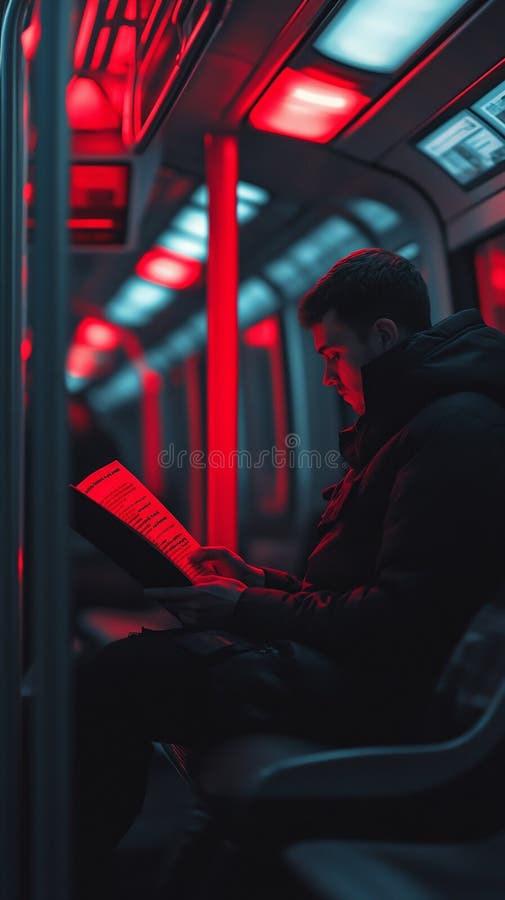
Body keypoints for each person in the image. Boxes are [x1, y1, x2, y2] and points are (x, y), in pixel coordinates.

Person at [74, 248, 505, 896]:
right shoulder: (409, 426)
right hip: (355, 667)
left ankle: (71, 872)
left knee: (117, 677)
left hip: (385, 691)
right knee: (127, 670)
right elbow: (353, 595)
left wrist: (241, 609)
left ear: (382, 337)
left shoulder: (453, 431)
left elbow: (400, 620)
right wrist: (252, 582)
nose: (328, 377)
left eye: (333, 356)